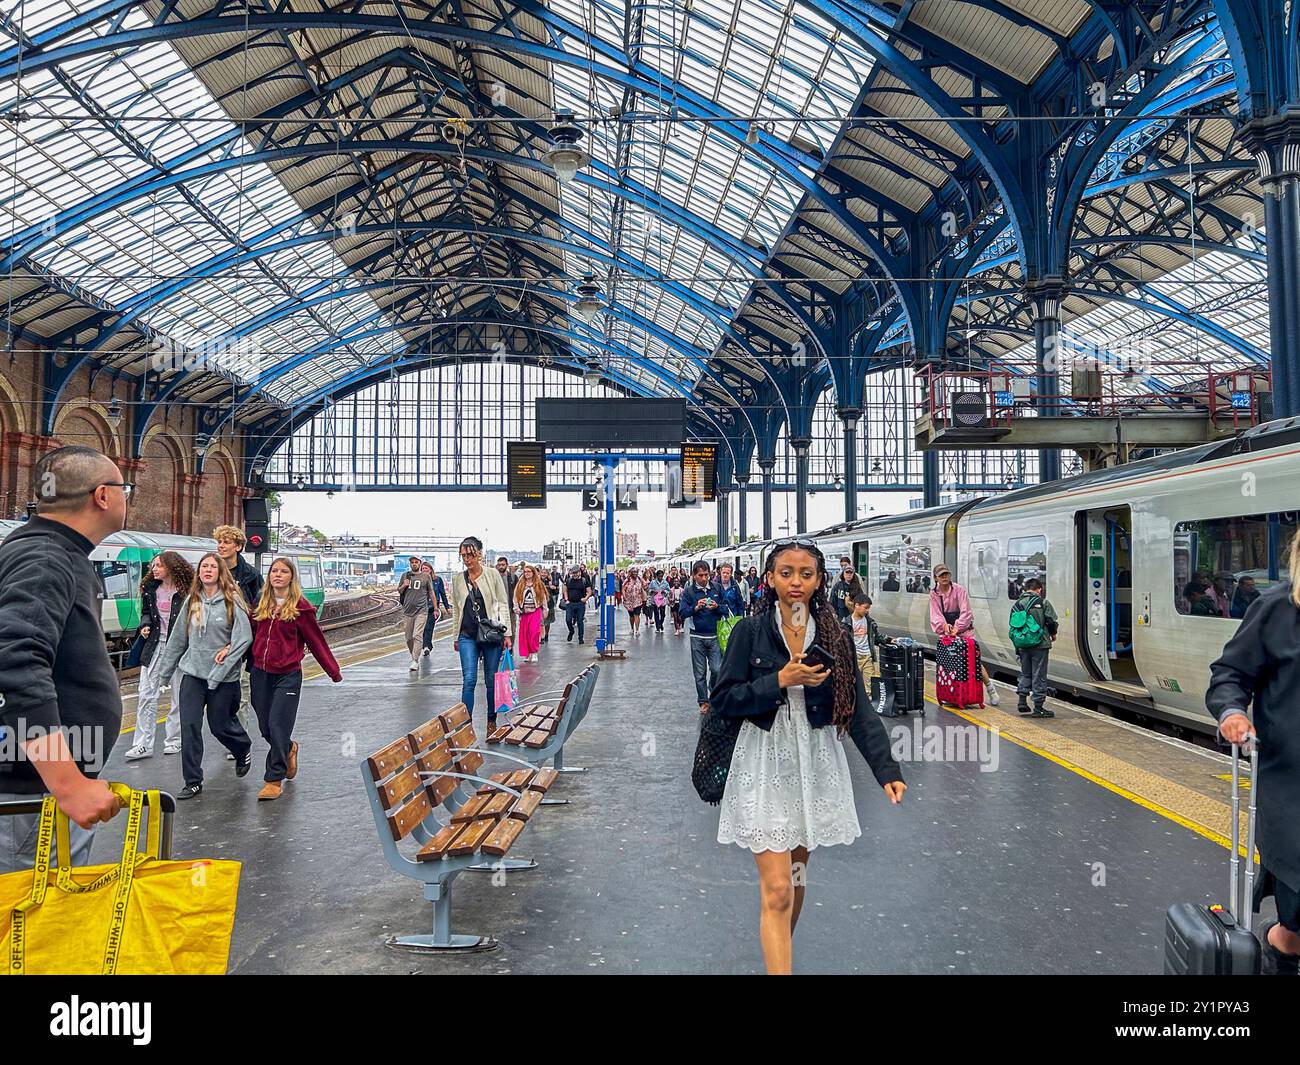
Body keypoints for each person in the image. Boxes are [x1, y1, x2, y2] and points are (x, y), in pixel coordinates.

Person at [710, 537, 906, 975]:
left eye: (805, 574)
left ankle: (778, 950)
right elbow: (723, 699)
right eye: (786, 573)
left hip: (813, 763)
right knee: (778, 888)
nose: (795, 582)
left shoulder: (833, 633)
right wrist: (777, 679)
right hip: (764, 760)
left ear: (819, 581)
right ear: (769, 579)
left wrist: (885, 768)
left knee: (796, 881)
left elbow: (855, 706)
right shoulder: (750, 631)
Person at [0, 446, 129, 872]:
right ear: (103, 496)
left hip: (33, 789)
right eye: (124, 488)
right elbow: (13, 663)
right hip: (29, 796)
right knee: (27, 929)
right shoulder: (46, 558)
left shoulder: (43, 551)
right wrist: (67, 782)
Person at [1207, 533, 1300, 976]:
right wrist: (1231, 712)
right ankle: (1281, 948)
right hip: (1291, 787)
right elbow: (1230, 673)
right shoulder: (1279, 608)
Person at [156, 552, 254, 800]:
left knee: (220, 725)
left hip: (223, 677)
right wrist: (164, 674)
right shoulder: (192, 601)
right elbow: (178, 638)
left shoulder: (233, 602)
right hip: (193, 674)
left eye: (213, 566)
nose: (208, 570)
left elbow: (243, 640)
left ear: (221, 572)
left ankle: (242, 747)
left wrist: (225, 661)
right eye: (204, 566)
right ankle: (193, 780)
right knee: (189, 726)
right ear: (199, 572)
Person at [248, 556, 342, 800]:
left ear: (291, 577)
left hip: (288, 674)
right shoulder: (260, 603)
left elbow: (316, 642)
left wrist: (333, 671)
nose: (277, 575)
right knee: (265, 727)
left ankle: (273, 778)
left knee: (278, 725)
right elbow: (250, 635)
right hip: (260, 673)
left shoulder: (301, 608)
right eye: (274, 571)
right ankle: (289, 748)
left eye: (283, 571)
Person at [124, 551, 194, 760]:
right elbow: (146, 612)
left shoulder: (188, 592)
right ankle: (142, 744)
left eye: (158, 565)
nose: (154, 569)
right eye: (153, 566)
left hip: (180, 649)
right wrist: (145, 625)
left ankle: (174, 740)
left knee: (178, 696)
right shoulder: (150, 589)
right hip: (155, 646)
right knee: (146, 693)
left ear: (172, 567)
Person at [451, 537, 512, 728]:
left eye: (471, 555)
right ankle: (465, 726)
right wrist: (455, 636)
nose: (467, 560)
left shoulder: (492, 575)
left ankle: (491, 721)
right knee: (469, 679)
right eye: (464, 556)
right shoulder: (458, 579)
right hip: (467, 635)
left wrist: (507, 633)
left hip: (491, 635)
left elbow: (502, 603)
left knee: (491, 680)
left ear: (479, 554)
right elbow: (456, 609)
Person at [214, 524, 263, 737]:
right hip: (216, 639)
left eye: (226, 542)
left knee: (242, 691)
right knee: (218, 692)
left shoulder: (251, 575)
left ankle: (240, 739)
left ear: (238, 547)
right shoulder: (211, 571)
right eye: (219, 542)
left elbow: (260, 607)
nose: (221, 546)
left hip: (243, 642)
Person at [930, 562, 999, 705]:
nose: (944, 577)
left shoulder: (959, 590)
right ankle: (954, 693)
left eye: (946, 574)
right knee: (951, 664)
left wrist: (957, 627)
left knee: (973, 661)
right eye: (941, 575)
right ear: (935, 578)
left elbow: (966, 612)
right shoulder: (934, 594)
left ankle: (990, 689)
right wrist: (944, 626)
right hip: (947, 632)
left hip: (964, 631)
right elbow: (936, 614)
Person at [681, 561, 726, 714]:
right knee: (699, 672)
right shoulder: (688, 592)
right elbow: (683, 613)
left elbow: (726, 608)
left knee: (717, 669)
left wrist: (717, 607)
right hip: (697, 636)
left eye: (706, 575)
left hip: (714, 635)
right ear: (694, 575)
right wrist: (696, 608)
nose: (704, 578)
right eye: (700, 575)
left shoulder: (717, 588)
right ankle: (703, 702)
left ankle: (712, 690)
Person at [1010, 576, 1058, 718]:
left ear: (1026, 589)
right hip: (1040, 644)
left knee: (1025, 672)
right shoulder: (1043, 602)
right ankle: (1038, 707)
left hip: (1023, 644)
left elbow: (1014, 625)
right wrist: (1053, 634)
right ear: (1039, 589)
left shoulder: (1017, 604)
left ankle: (1022, 701)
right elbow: (1051, 621)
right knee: (1039, 674)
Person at [397, 557, 434, 670]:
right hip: (407, 611)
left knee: (417, 635)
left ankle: (415, 660)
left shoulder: (426, 576)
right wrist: (404, 585)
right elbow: (399, 590)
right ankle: (414, 654)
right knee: (409, 638)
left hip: (421, 611)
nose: (414, 564)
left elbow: (431, 592)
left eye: (416, 562)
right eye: (412, 562)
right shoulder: (405, 575)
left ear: (420, 563)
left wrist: (436, 607)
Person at [843, 593, 888, 679]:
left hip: (867, 656)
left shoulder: (870, 622)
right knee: (853, 684)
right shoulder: (846, 623)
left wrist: (889, 640)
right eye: (865, 608)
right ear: (856, 605)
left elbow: (877, 636)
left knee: (870, 684)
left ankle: (868, 693)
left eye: (868, 608)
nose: (867, 611)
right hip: (853, 658)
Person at [514, 563, 548, 663]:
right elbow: (515, 596)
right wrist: (516, 607)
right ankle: (527, 653)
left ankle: (534, 653)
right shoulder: (520, 584)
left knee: (534, 632)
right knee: (524, 634)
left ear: (533, 573)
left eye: (529, 571)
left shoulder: (538, 584)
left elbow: (543, 598)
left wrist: (545, 609)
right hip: (524, 612)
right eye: (525, 572)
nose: (527, 574)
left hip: (535, 610)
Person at [562, 564, 594, 643]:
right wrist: (566, 599)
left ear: (580, 572)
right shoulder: (569, 580)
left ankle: (580, 638)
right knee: (568, 620)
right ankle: (571, 631)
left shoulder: (584, 580)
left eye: (576, 573)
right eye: (573, 573)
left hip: (580, 603)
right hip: (570, 603)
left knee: (580, 621)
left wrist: (585, 598)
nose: (574, 575)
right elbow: (564, 589)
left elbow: (589, 591)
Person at [830, 556, 863, 621]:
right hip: (840, 615)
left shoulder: (857, 586)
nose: (849, 574)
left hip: (852, 616)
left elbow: (862, 601)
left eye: (851, 573)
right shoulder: (838, 585)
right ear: (843, 573)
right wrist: (833, 612)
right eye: (847, 572)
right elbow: (832, 599)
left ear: (853, 574)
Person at [420, 562, 441, 655]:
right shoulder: (419, 580)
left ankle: (426, 646)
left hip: (432, 607)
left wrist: (447, 607)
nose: (424, 570)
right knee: (422, 628)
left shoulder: (437, 580)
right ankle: (427, 645)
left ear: (431, 569)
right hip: (421, 607)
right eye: (423, 568)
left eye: (426, 568)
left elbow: (442, 593)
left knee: (429, 627)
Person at [497, 556, 519, 645]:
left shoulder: (513, 577)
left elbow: (517, 591)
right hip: (497, 608)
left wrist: (516, 605)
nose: (501, 567)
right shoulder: (494, 576)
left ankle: (510, 647)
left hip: (510, 608)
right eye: (499, 565)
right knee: (498, 628)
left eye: (503, 565)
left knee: (511, 629)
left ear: (507, 565)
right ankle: (500, 647)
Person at [622, 567, 647, 636]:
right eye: (634, 572)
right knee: (631, 616)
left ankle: (637, 630)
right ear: (631, 573)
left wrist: (645, 587)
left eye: (636, 572)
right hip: (629, 601)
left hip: (638, 600)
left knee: (637, 614)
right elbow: (623, 588)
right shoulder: (627, 580)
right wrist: (624, 596)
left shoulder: (639, 579)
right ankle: (632, 628)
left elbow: (645, 585)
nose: (635, 573)